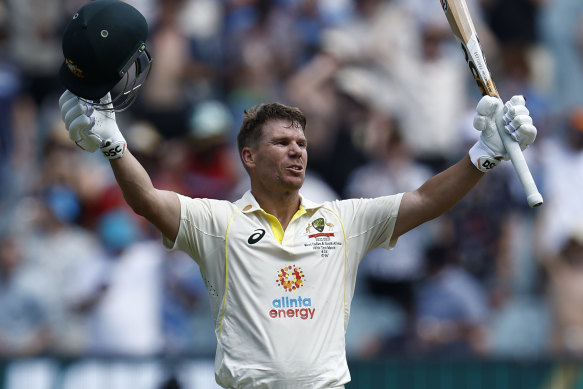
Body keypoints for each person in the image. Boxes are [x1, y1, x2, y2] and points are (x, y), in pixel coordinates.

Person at [57, 1, 538, 387]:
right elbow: (148, 201)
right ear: (248, 157)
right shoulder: (220, 224)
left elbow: (425, 200)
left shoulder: (343, 221)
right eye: (282, 143)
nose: (297, 152)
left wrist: (484, 154)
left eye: (302, 144)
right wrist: (114, 144)